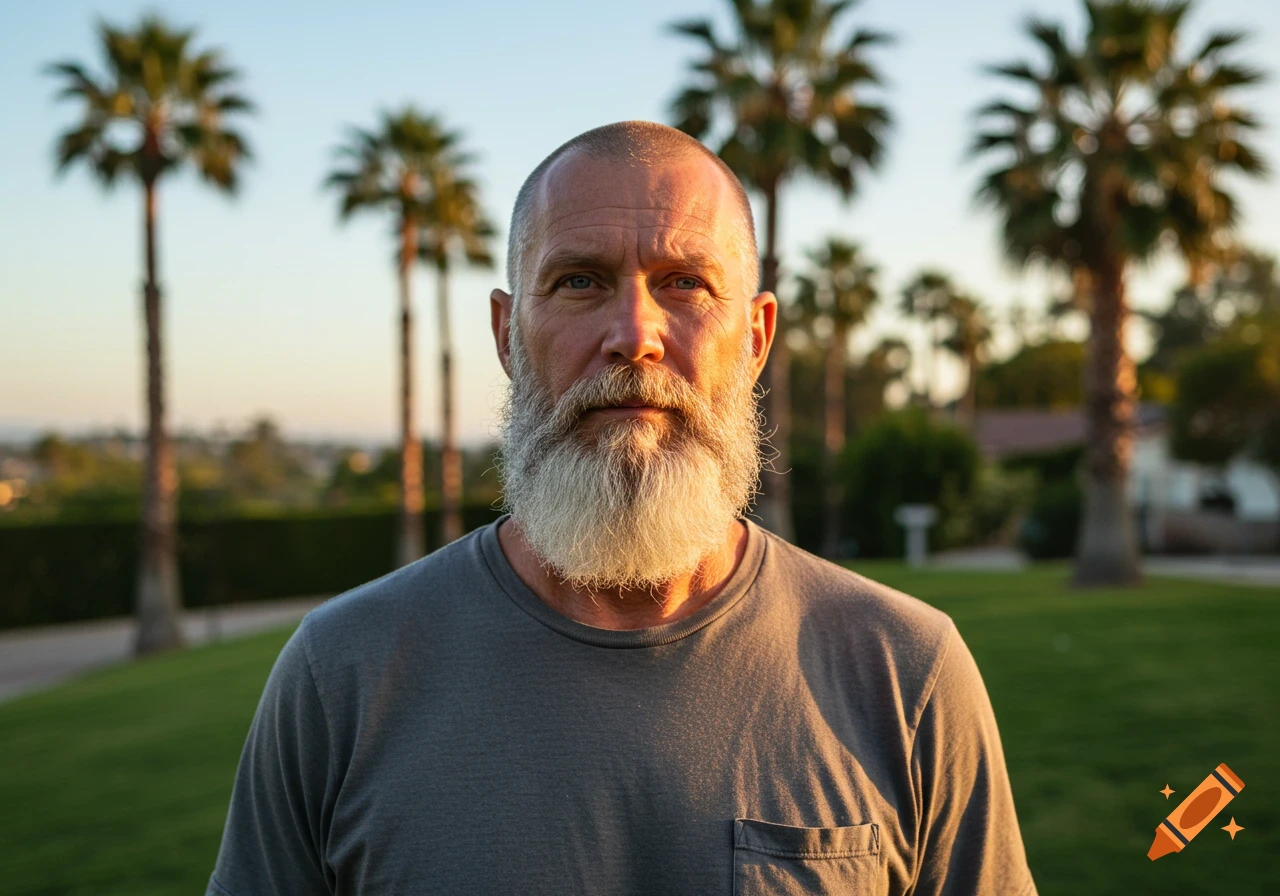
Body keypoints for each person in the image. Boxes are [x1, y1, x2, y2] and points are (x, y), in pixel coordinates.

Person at [205, 120, 1038, 896]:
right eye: (579, 281)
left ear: (755, 340)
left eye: (686, 284)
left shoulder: (905, 674)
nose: (634, 335)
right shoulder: (341, 675)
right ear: (506, 334)